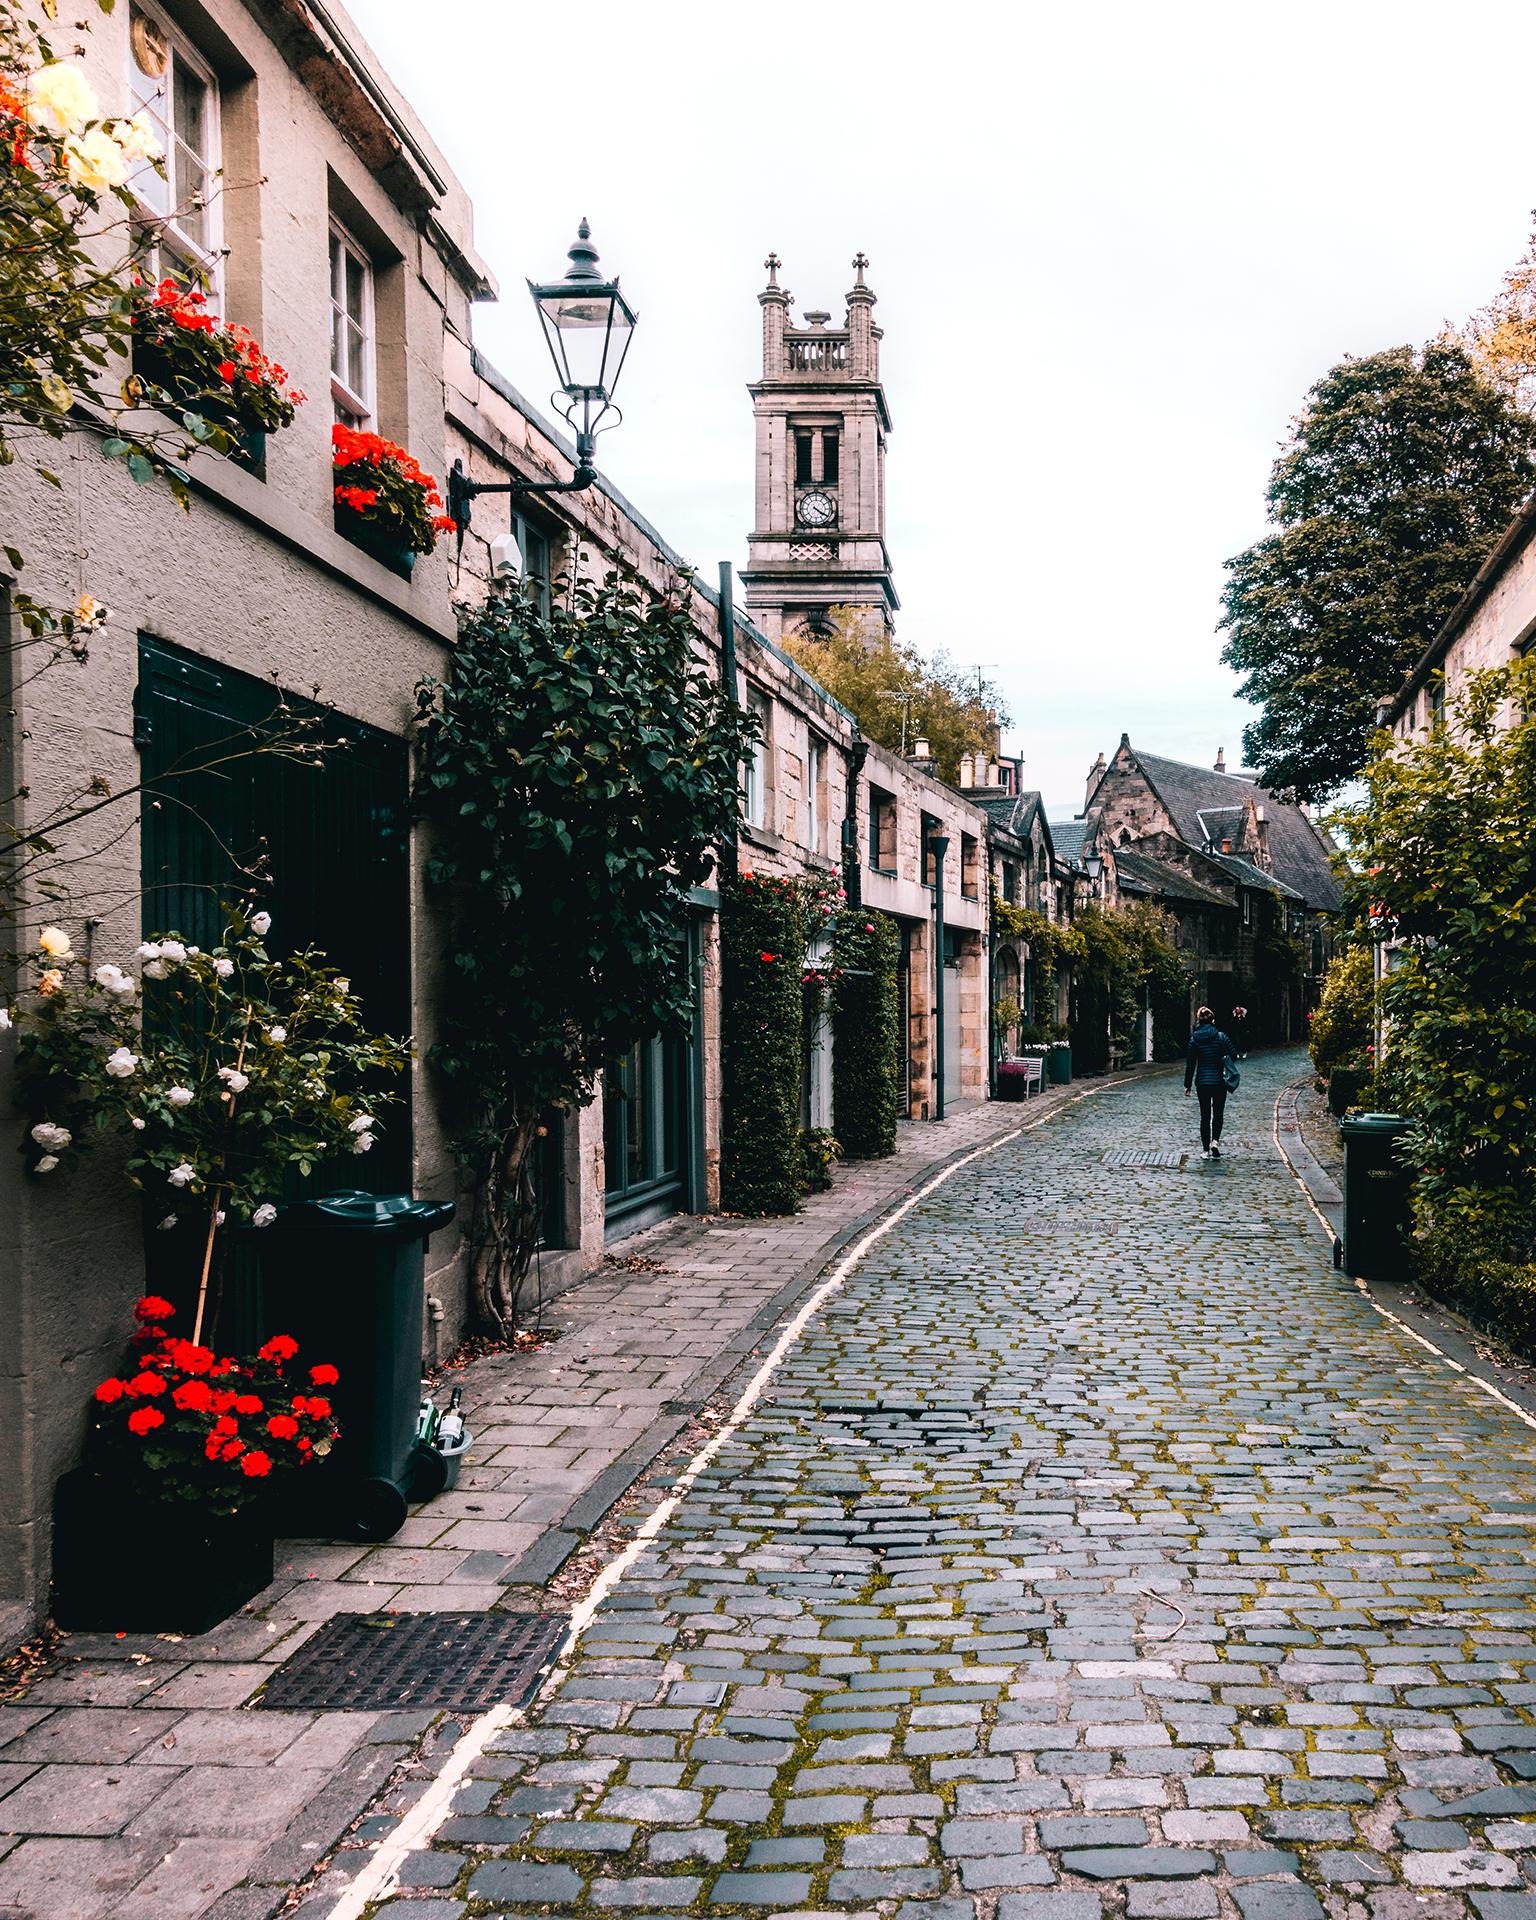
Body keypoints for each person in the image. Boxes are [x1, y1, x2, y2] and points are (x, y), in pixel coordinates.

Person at [1184, 1005, 1237, 1160]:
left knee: (1205, 1115)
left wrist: (1187, 1085)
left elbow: (1190, 1064)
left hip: (1202, 1081)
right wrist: (1222, 1059)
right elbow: (1233, 1055)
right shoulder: (1221, 1037)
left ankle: (1205, 1150)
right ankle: (1215, 1142)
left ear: (1199, 1021)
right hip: (1219, 1081)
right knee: (1218, 1113)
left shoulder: (1194, 1039)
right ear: (1213, 1020)